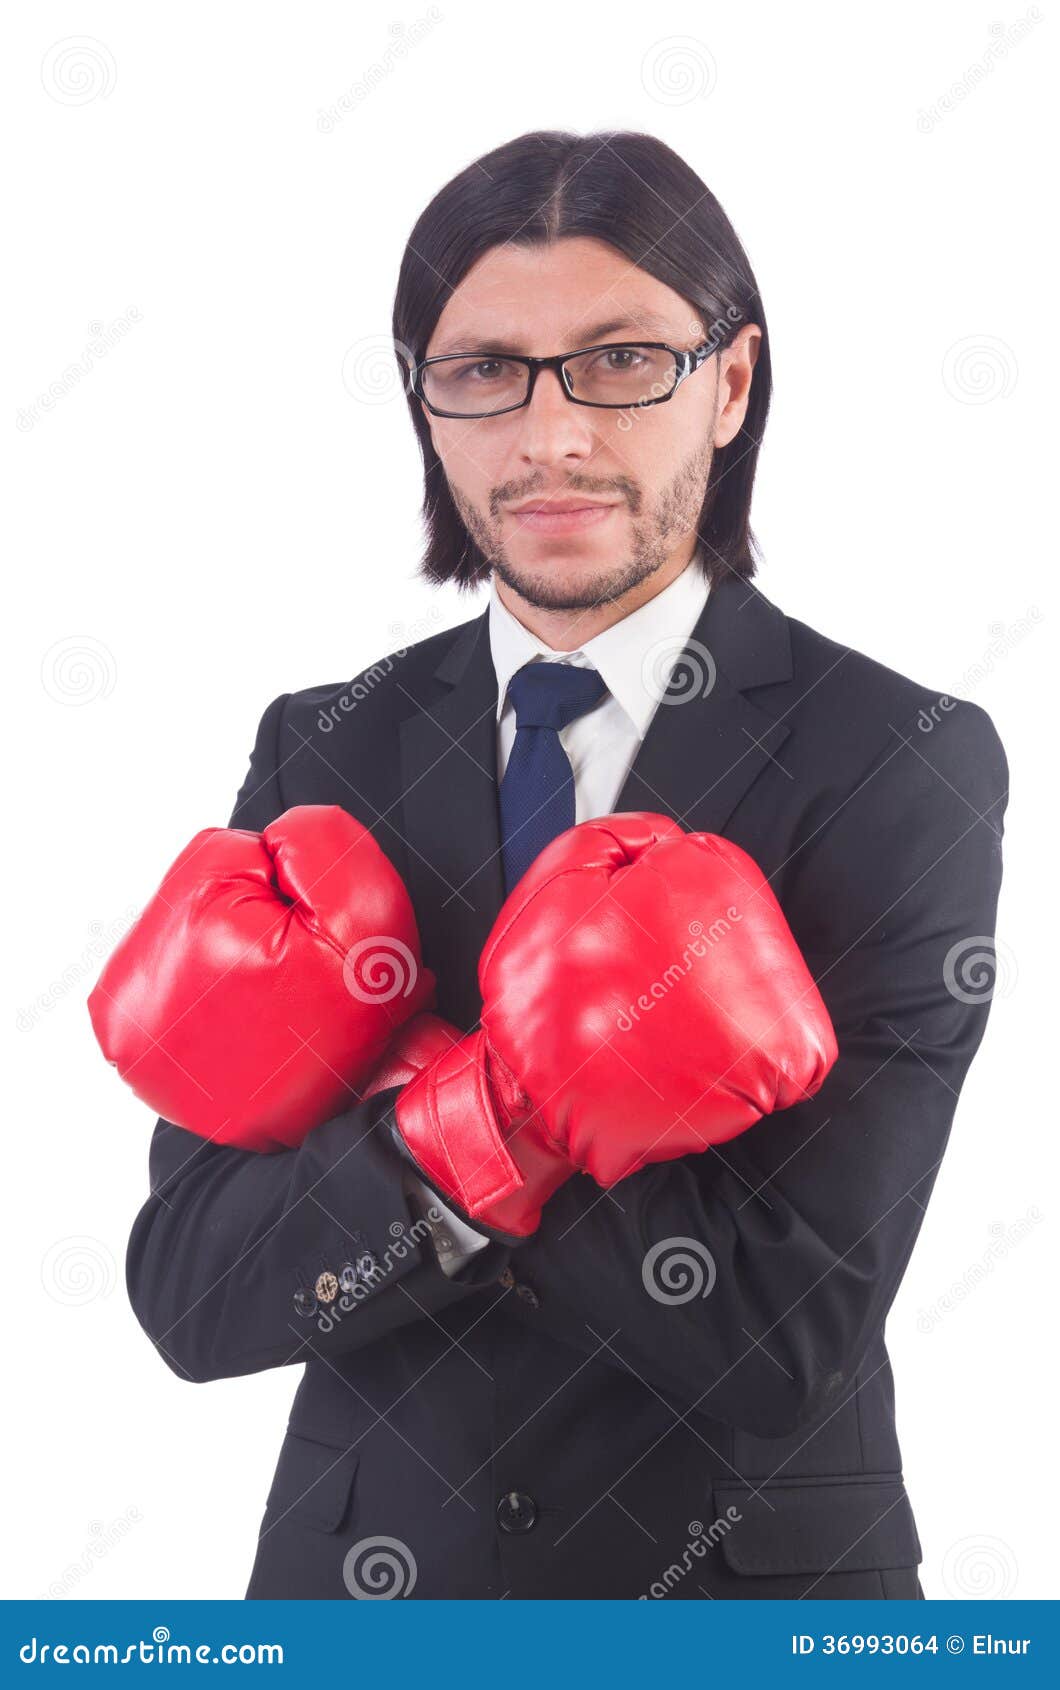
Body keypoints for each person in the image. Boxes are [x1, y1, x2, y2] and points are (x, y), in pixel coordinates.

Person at [119, 129, 1007, 1599]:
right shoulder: (323, 749)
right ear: (424, 400)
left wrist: (411, 1106)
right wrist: (502, 1122)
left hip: (745, 1603)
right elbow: (197, 1292)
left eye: (618, 362)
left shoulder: (895, 753)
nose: (551, 439)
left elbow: (787, 1328)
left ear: (729, 385)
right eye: (483, 371)